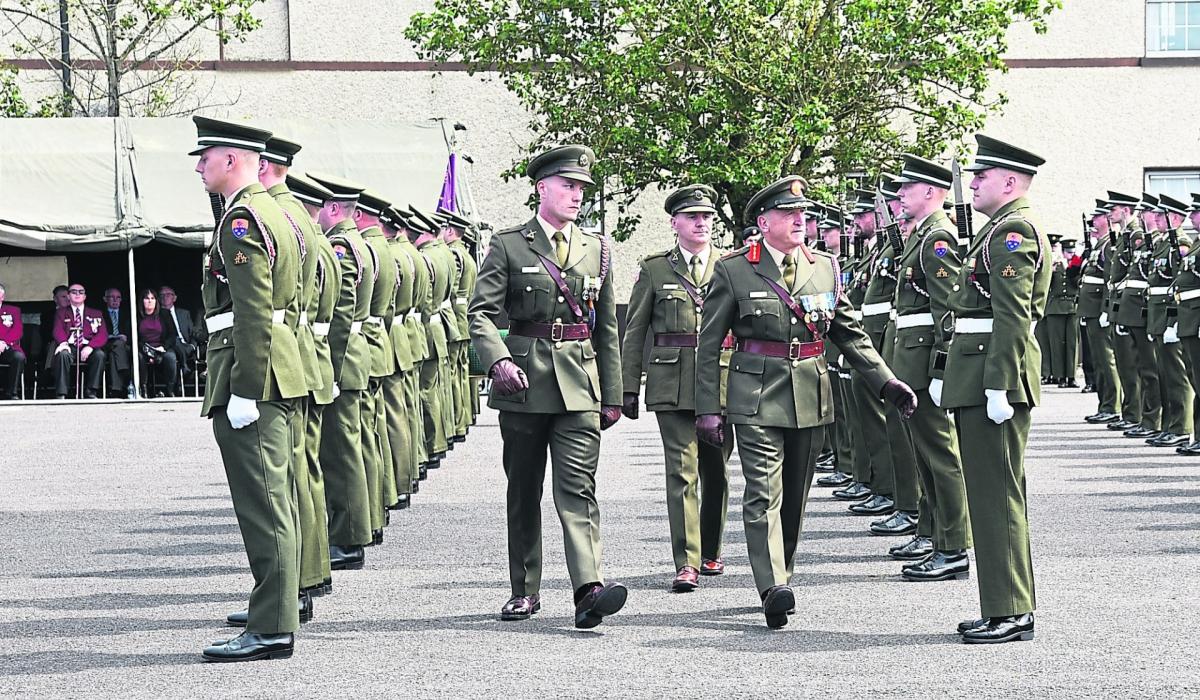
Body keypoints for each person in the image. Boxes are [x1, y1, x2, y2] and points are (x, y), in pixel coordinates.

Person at [694, 175, 917, 629]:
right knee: (762, 492)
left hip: (810, 395)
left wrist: (887, 382)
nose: (800, 220)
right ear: (764, 222)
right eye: (789, 213)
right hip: (754, 395)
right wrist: (707, 409)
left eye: (803, 213)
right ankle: (772, 585)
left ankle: (783, 572)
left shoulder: (825, 268)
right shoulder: (734, 270)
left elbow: (850, 334)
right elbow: (709, 343)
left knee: (795, 496)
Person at [468, 144, 627, 628]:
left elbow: (607, 330)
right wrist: (497, 360)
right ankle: (524, 589)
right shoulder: (510, 244)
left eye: (582, 188)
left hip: (579, 384)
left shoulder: (597, 249)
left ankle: (588, 589)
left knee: (578, 488)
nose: (577, 195)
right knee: (524, 489)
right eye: (568, 186)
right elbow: (481, 313)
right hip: (524, 383)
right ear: (542, 188)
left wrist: (613, 395)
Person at [191, 116, 306, 662]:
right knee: (275, 498)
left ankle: (272, 625)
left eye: (205, 157)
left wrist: (245, 387)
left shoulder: (241, 220)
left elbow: (254, 312)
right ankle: (274, 613)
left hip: (254, 373)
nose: (199, 167)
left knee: (264, 505)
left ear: (231, 160)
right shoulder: (276, 212)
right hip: (278, 368)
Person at [942, 134, 1050, 644]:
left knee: (997, 498)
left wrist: (999, 386)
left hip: (993, 378)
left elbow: (1013, 316)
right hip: (978, 375)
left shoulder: (1013, 232)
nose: (973, 184)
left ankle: (1011, 611)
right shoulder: (997, 230)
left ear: (1009, 182)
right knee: (990, 496)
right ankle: (1004, 606)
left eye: (981, 176)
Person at [621, 184, 733, 593]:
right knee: (682, 472)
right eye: (692, 217)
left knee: (716, 470)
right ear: (675, 223)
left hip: (722, 382)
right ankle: (686, 562)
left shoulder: (731, 265)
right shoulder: (655, 269)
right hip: (672, 382)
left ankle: (710, 549)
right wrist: (626, 388)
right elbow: (635, 330)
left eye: (707, 217)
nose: (701, 223)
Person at [891, 154, 972, 582]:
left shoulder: (937, 237)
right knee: (925, 457)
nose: (900, 194)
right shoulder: (921, 235)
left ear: (929, 191)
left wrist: (942, 370)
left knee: (940, 457)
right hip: (911, 361)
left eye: (907, 187)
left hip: (925, 364)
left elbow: (948, 311)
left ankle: (954, 545)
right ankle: (934, 535)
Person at [260, 139, 334, 603]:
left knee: (287, 479)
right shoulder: (304, 223)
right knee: (303, 472)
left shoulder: (275, 217)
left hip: (285, 354)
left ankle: (297, 587)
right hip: (304, 353)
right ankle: (310, 574)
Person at [308, 172, 375, 573]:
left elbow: (340, 314)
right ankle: (353, 532)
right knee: (350, 448)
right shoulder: (356, 242)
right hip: (355, 355)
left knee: (341, 454)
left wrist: (329, 369)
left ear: (333, 208)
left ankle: (349, 539)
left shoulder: (341, 246)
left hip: (344, 358)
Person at [1147, 194, 1193, 448]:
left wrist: (1173, 321)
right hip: (1158, 315)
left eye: (1160, 214)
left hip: (1170, 316)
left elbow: (1179, 286)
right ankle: (1169, 425)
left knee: (1177, 376)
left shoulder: (1181, 244)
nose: (1155, 218)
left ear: (1174, 218)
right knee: (1165, 375)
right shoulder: (1164, 243)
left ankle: (1181, 427)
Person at [1082, 201, 1121, 424]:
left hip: (1099, 310)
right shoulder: (1099, 245)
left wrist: (1106, 309)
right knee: (1098, 360)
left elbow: (1110, 281)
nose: (1093, 222)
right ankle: (1104, 404)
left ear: (1106, 219)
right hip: (1091, 309)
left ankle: (1112, 405)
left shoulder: (1108, 246)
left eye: (1097, 217)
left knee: (1107, 360)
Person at [51, 283, 107, 399]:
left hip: (88, 346)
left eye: (81, 292)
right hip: (70, 345)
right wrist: (63, 343)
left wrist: (90, 346)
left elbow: (103, 334)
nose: (78, 294)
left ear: (85, 296)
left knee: (100, 355)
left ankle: (91, 391)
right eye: (74, 292)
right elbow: (57, 330)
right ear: (68, 296)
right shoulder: (61, 312)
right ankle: (61, 393)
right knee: (62, 355)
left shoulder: (96, 313)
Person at [135, 288, 178, 398]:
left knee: (170, 357)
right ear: (142, 301)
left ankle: (170, 389)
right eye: (147, 298)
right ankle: (143, 389)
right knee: (138, 357)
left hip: (161, 348)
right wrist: (147, 351)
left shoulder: (165, 314)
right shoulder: (136, 316)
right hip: (143, 348)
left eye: (152, 298)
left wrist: (163, 347)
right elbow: (133, 337)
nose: (150, 301)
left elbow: (172, 335)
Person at [159, 286, 198, 387]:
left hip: (186, 346)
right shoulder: (157, 315)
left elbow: (193, 333)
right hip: (169, 347)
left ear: (174, 298)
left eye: (168, 295)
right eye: (162, 295)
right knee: (174, 339)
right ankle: (184, 369)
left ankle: (184, 372)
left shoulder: (184, 313)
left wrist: (192, 346)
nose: (164, 297)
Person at [100, 287, 132, 397]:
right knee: (118, 344)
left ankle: (116, 390)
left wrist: (126, 338)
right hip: (106, 344)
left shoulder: (128, 314)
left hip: (124, 346)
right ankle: (125, 372)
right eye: (112, 297)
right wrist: (115, 337)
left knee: (115, 354)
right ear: (105, 299)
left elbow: (133, 332)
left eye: (118, 297)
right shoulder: (100, 313)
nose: (115, 300)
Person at [0, 282, 25, 399]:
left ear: (2, 297)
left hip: (8, 347)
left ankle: (12, 393)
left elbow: (17, 331)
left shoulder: (13, 310)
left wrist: (3, 343)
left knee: (18, 357)